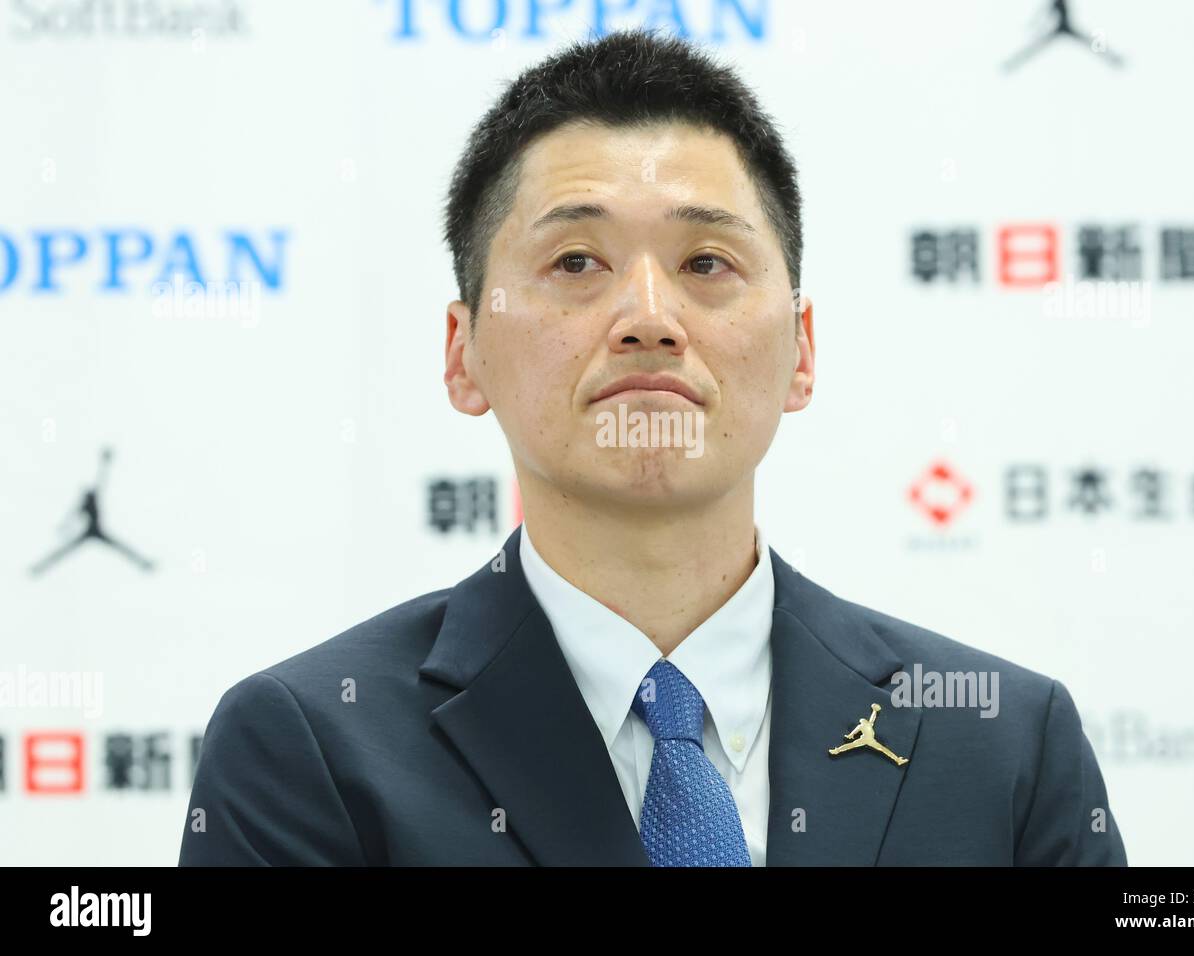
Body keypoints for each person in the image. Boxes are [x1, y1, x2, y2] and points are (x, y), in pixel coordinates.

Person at [179, 28, 1126, 867]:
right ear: (463, 355)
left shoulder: (1002, 744)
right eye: (576, 263)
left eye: (706, 264)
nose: (648, 318)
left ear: (803, 354)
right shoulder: (314, 747)